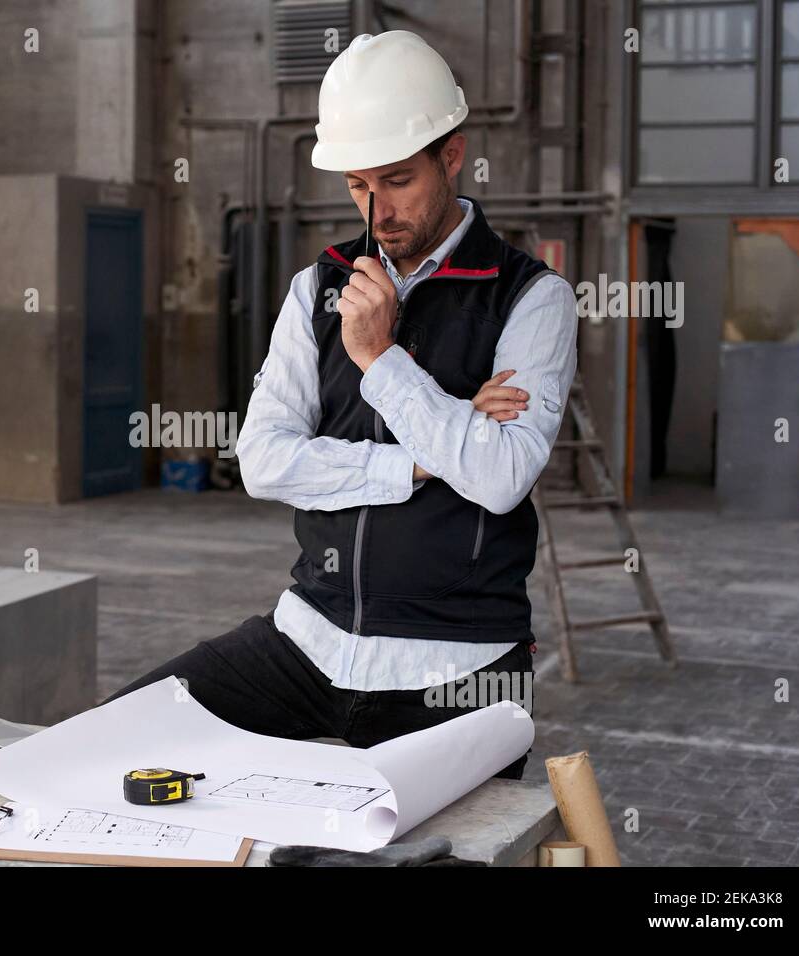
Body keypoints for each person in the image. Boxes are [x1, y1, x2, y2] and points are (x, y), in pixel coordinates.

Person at [105, 31, 578, 779]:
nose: (376, 210)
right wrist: (427, 457)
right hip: (309, 639)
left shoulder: (532, 297)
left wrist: (379, 357)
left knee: (439, 843)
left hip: (461, 664)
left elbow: (500, 477)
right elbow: (263, 462)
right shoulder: (315, 288)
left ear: (452, 155)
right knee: (109, 739)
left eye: (397, 180)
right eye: (358, 185)